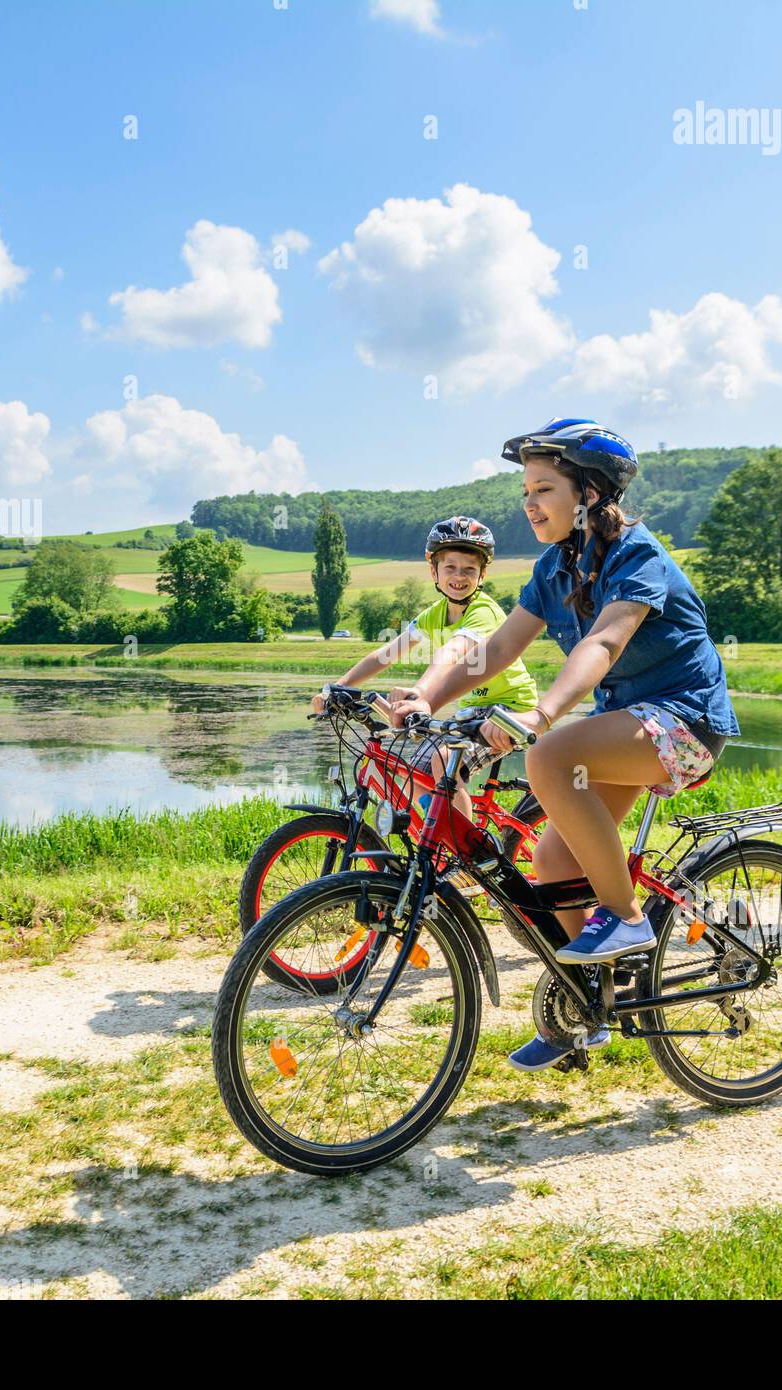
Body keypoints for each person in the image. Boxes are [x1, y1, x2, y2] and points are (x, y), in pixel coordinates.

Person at [391, 419, 739, 1071]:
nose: (528, 501)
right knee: (552, 861)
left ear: (590, 494)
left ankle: (626, 917)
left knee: (549, 756)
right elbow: (497, 648)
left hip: (685, 720)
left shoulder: (635, 553)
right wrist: (423, 700)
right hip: (630, 725)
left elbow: (604, 642)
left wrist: (543, 713)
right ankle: (591, 1006)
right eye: (525, 488)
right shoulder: (556, 566)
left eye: (543, 487)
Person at [311, 516, 538, 820]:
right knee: (412, 773)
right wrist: (338, 688)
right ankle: (439, 842)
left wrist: (421, 693)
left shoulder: (484, 611)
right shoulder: (436, 614)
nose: (459, 576)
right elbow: (386, 654)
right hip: (472, 711)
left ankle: (462, 858)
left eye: (469, 569)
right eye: (450, 567)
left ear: (482, 574)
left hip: (509, 710)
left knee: (445, 760)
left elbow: (453, 652)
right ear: (434, 570)